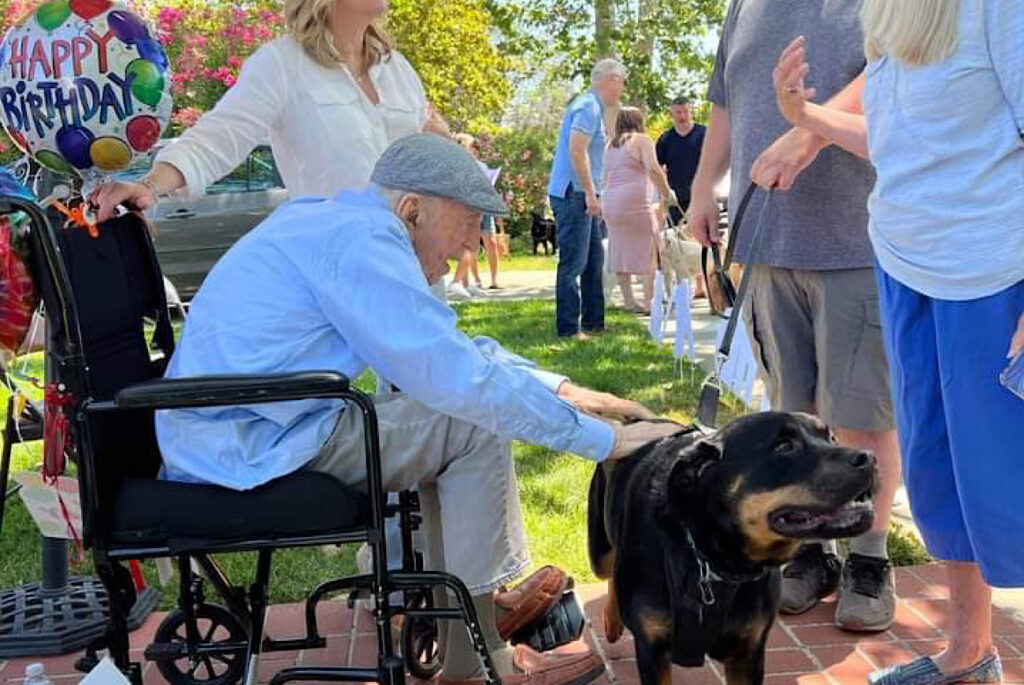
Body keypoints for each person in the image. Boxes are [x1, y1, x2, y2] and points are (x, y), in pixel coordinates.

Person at [155, 133, 685, 685]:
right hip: (249, 444)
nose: (469, 252)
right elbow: (458, 379)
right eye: (465, 230)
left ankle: (466, 615)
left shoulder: (344, 226)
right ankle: (475, 660)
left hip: (246, 426)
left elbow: (450, 352)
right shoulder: (362, 242)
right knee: (469, 423)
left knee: (446, 416)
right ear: (413, 210)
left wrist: (567, 391)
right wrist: (607, 442)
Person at [765, 0, 1024, 680]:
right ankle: (970, 655)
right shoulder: (892, 15)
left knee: (1008, 483)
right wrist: (807, 120)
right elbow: (900, 138)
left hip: (992, 274)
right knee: (944, 479)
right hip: (907, 269)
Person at [687, 0, 902, 632]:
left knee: (863, 416)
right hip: (765, 245)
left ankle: (869, 557)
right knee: (794, 413)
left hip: (854, 240)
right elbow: (725, 103)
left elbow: (891, 72)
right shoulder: (742, 8)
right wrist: (703, 187)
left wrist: (806, 132)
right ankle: (814, 548)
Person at [92, 0, 447, 220]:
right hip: (341, 272)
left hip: (416, 269)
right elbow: (218, 137)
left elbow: (428, 149)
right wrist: (149, 186)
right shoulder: (282, 64)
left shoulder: (397, 68)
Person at [548, 59, 627, 339]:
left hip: (586, 194)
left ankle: (594, 323)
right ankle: (568, 329)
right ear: (609, 79)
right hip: (574, 194)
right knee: (574, 263)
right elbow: (576, 151)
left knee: (594, 261)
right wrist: (591, 195)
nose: (622, 89)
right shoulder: (588, 107)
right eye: (621, 82)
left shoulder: (594, 107)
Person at [601, 106, 673, 315]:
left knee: (619, 249)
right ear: (639, 121)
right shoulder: (642, 140)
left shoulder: (610, 145)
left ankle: (629, 301)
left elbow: (605, 176)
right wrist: (667, 193)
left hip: (611, 203)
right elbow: (652, 168)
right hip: (635, 203)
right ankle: (649, 301)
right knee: (649, 248)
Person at [449, 133, 503, 298]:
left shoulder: (474, 164)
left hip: (479, 205)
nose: (475, 150)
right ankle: (458, 281)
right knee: (469, 245)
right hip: (468, 207)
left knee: (472, 244)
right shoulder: (458, 165)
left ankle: (465, 284)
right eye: (472, 146)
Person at [655, 94, 706, 224]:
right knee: (678, 237)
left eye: (685, 111)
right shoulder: (665, 139)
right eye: (678, 112)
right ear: (672, 113)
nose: (682, 116)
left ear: (691, 112)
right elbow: (658, 168)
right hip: (676, 198)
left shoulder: (704, 134)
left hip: (702, 194)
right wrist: (664, 193)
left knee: (706, 236)